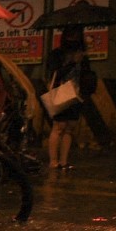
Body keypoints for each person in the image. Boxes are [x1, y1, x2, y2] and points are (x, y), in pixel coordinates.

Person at [44, 38, 94, 171]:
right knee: (58, 127)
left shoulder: (83, 59)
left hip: (76, 95)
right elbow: (56, 74)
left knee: (69, 128)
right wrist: (72, 62)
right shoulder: (58, 55)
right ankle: (53, 161)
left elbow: (87, 75)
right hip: (61, 93)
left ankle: (63, 161)